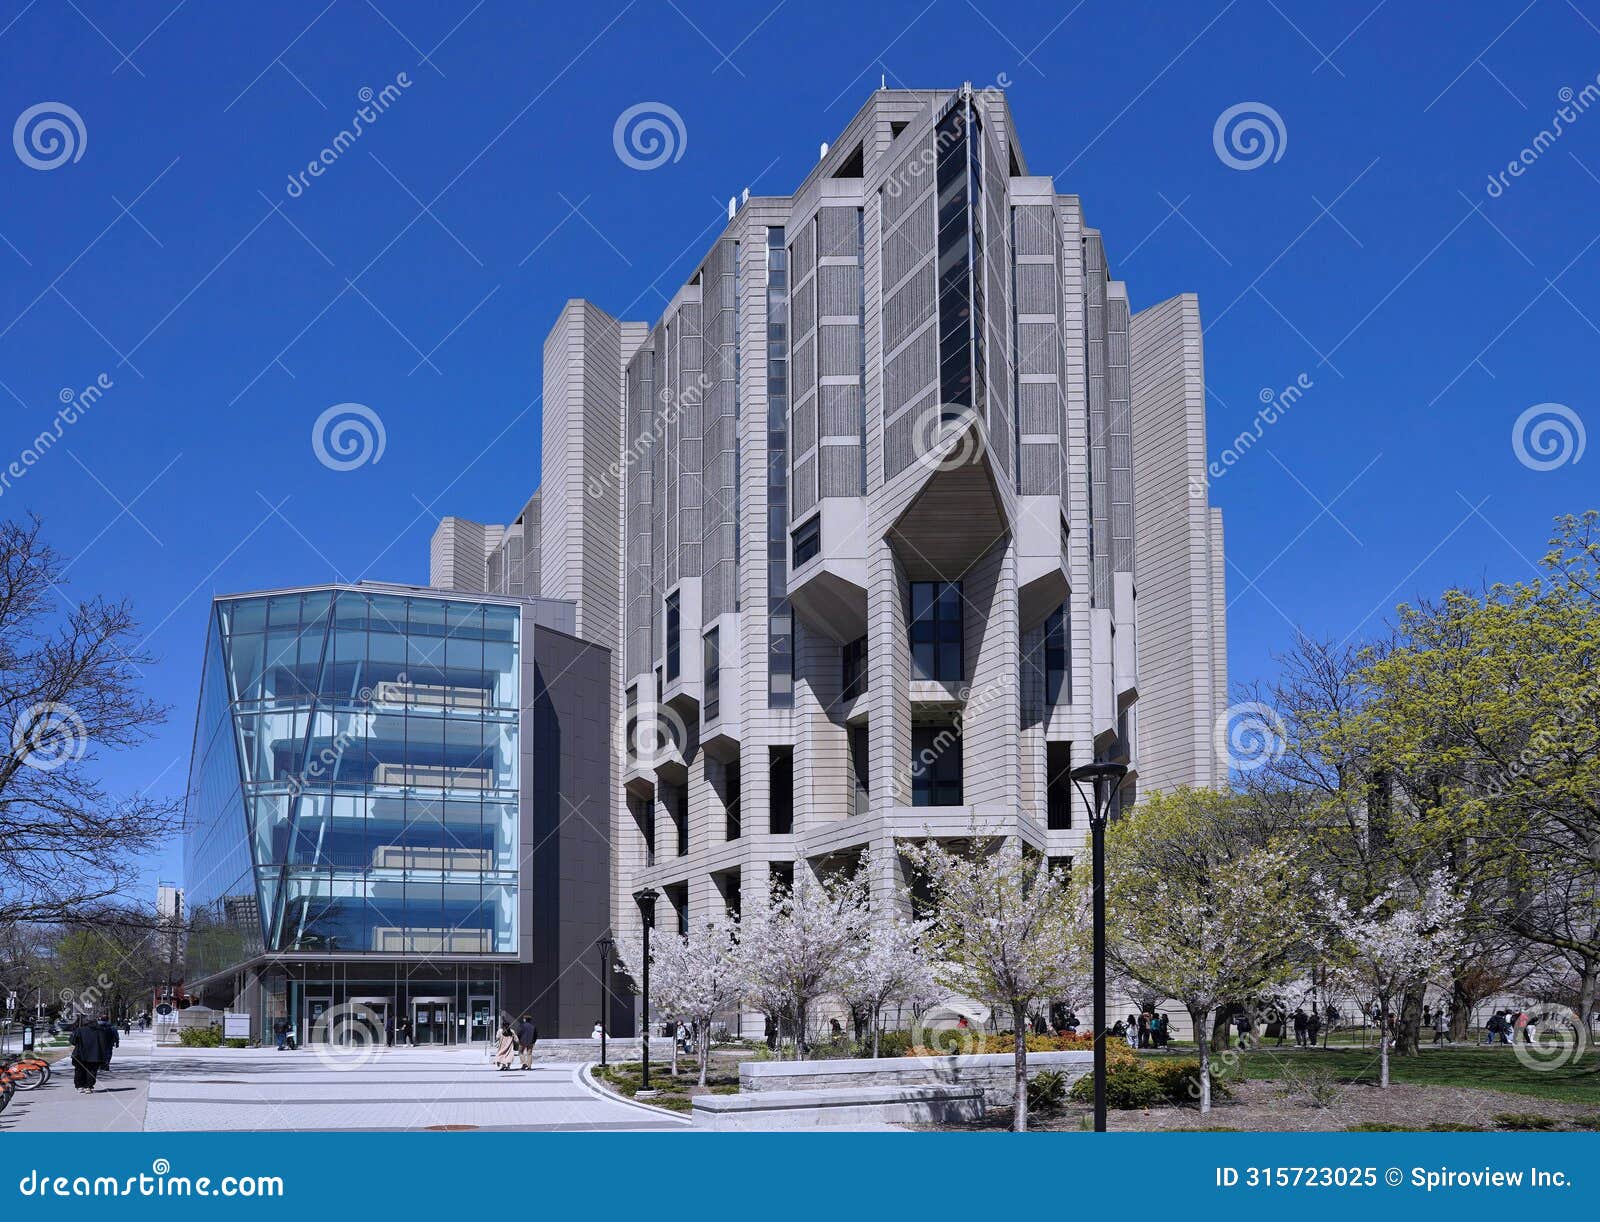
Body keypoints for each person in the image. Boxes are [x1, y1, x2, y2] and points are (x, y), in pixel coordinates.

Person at [69, 1017, 111, 1094]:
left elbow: (72, 1041)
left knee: (79, 1070)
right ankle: (88, 1086)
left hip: (80, 1054)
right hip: (95, 1055)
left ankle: (79, 1086)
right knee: (92, 1071)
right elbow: (104, 1044)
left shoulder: (80, 1030)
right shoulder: (101, 1031)